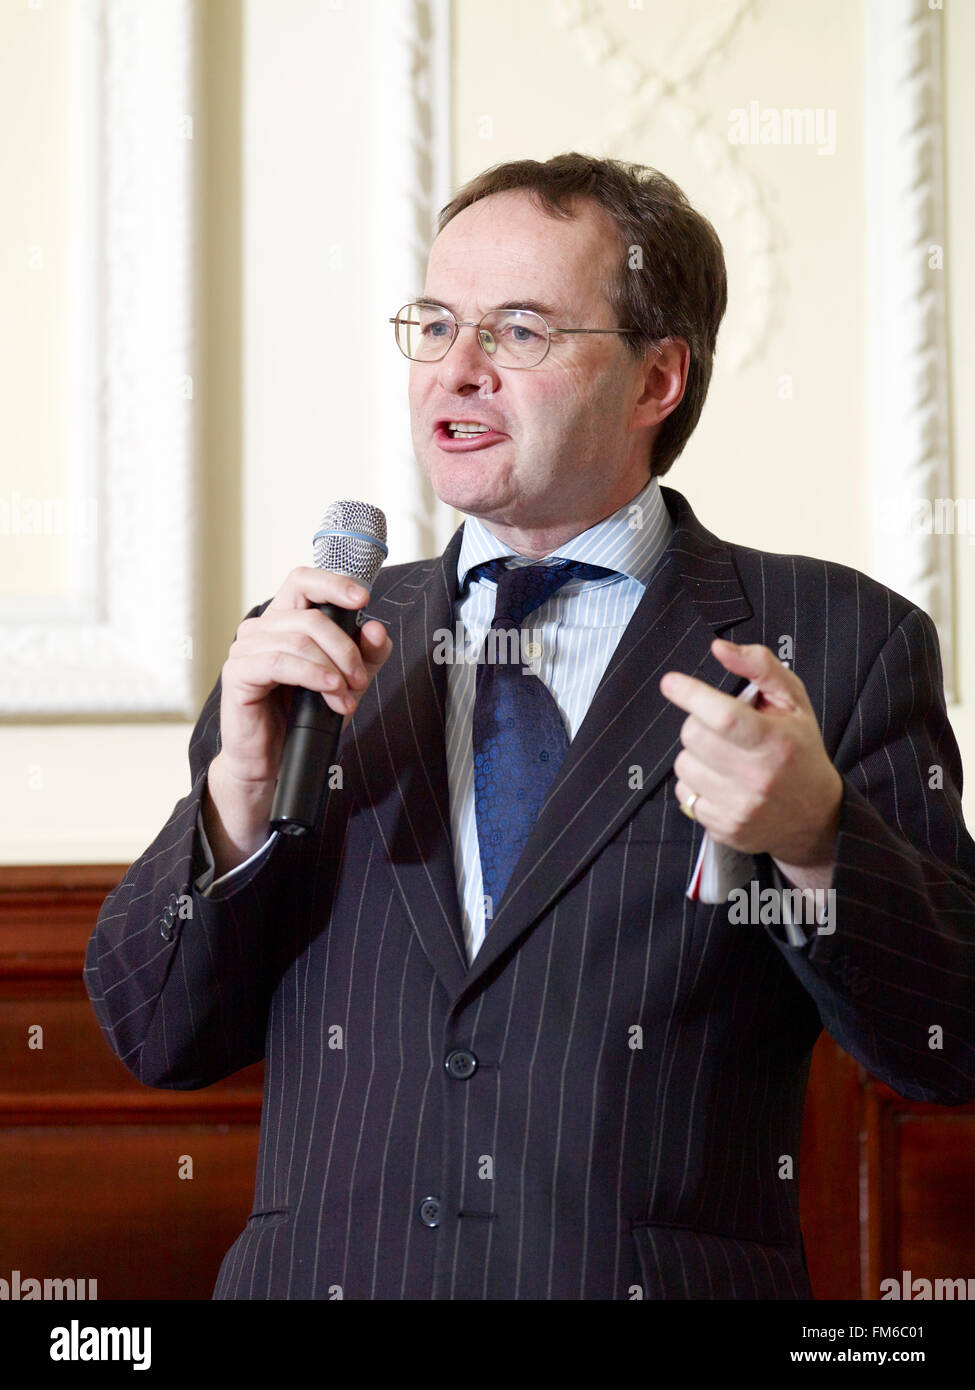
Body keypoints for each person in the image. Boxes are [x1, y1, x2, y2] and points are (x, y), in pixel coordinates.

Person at [85, 153, 975, 1301]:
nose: (456, 372)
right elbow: (155, 1036)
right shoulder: (312, 643)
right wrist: (235, 800)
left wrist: (815, 838)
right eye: (437, 325)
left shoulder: (836, 641)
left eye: (517, 332)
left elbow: (949, 1039)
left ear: (658, 377)